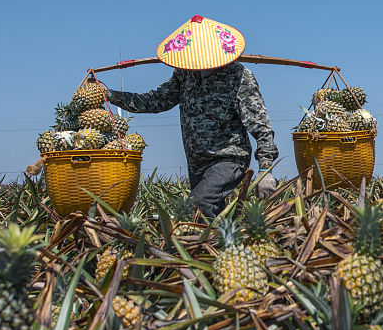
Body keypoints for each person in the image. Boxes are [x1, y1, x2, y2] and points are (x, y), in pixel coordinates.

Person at [98, 62, 279, 218]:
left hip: (228, 158)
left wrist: (265, 168)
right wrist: (113, 96)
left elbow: (260, 124)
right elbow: (156, 100)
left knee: (199, 204)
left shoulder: (238, 75)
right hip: (196, 162)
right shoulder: (185, 74)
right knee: (212, 218)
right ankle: (218, 253)